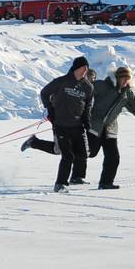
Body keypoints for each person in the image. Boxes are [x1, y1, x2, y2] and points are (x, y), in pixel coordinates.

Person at [87, 66, 135, 189]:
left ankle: (106, 183)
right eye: (123, 78)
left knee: (113, 156)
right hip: (95, 124)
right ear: (117, 78)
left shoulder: (127, 93)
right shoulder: (102, 85)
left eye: (127, 79)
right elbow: (85, 92)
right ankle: (71, 166)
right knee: (90, 152)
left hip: (110, 128)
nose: (125, 81)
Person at [34, 57, 95, 192]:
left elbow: (88, 106)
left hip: (77, 125)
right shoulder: (62, 81)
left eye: (86, 69)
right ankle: (60, 184)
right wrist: (50, 109)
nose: (85, 72)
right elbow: (44, 93)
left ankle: (77, 177)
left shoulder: (88, 87)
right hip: (60, 124)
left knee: (83, 153)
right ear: (75, 68)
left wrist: (87, 121)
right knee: (67, 155)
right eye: (82, 69)